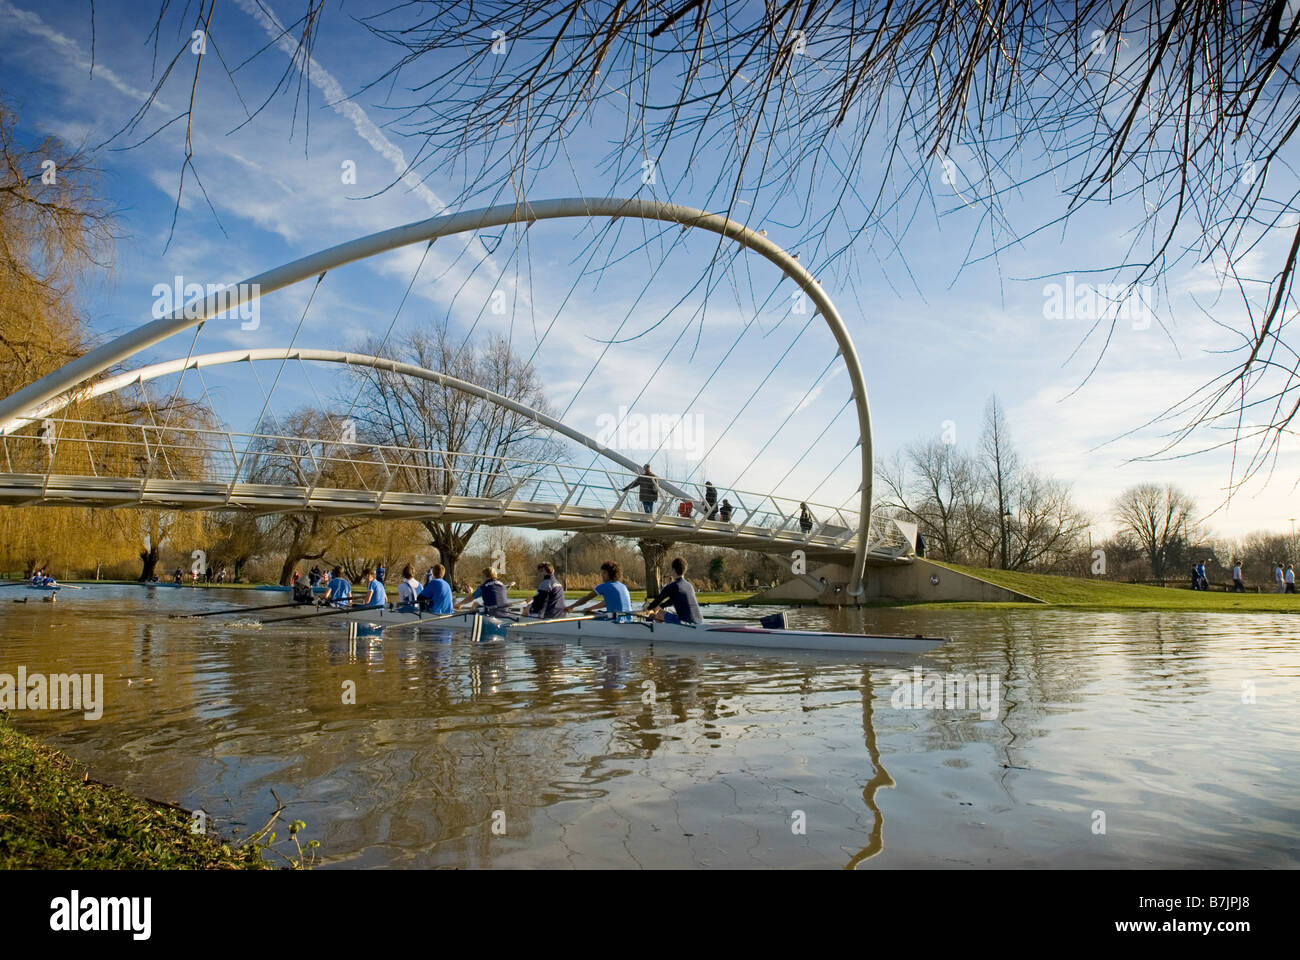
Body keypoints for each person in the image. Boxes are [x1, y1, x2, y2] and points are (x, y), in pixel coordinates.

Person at [644, 557, 703, 624]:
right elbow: (673, 600)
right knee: (667, 611)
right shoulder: (689, 586)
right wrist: (661, 606)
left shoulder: (672, 586)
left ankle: (656, 631)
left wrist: (647, 609)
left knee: (659, 613)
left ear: (673, 570)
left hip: (685, 623)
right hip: (699, 622)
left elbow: (657, 600)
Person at [566, 561, 632, 620]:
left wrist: (570, 607)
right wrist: (590, 608)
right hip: (628, 618)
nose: (602, 576)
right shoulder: (623, 586)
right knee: (589, 611)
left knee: (588, 613)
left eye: (604, 573)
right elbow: (607, 602)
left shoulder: (604, 586)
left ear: (610, 574)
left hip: (615, 619)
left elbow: (585, 599)